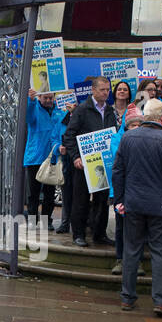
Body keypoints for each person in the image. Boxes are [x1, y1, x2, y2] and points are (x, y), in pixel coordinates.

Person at [112, 98, 162, 317]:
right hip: (159, 207)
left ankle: (127, 297)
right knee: (159, 253)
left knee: (131, 250)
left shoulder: (128, 138)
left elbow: (118, 171)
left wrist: (119, 200)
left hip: (133, 203)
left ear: (144, 116)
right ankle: (160, 301)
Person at [64, 76, 117, 247]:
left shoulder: (109, 110)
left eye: (108, 90)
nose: (106, 93)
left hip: (103, 163)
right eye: (103, 89)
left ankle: (99, 233)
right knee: (81, 200)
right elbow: (69, 135)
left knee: (102, 200)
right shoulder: (82, 110)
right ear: (93, 90)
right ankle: (78, 234)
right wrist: (76, 157)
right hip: (84, 164)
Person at [24, 86, 67, 228]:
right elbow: (28, 117)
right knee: (33, 193)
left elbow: (64, 128)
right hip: (35, 157)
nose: (48, 100)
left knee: (49, 193)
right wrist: (30, 101)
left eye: (50, 97)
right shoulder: (34, 108)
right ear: (39, 97)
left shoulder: (60, 110)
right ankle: (32, 220)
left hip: (53, 156)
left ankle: (46, 220)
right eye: (45, 98)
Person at [110, 104, 145, 275]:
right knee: (121, 227)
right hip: (121, 191)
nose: (136, 128)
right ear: (127, 126)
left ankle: (137, 261)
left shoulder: (146, 139)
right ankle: (120, 259)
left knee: (139, 229)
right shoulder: (118, 139)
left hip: (140, 191)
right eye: (133, 125)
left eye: (139, 125)